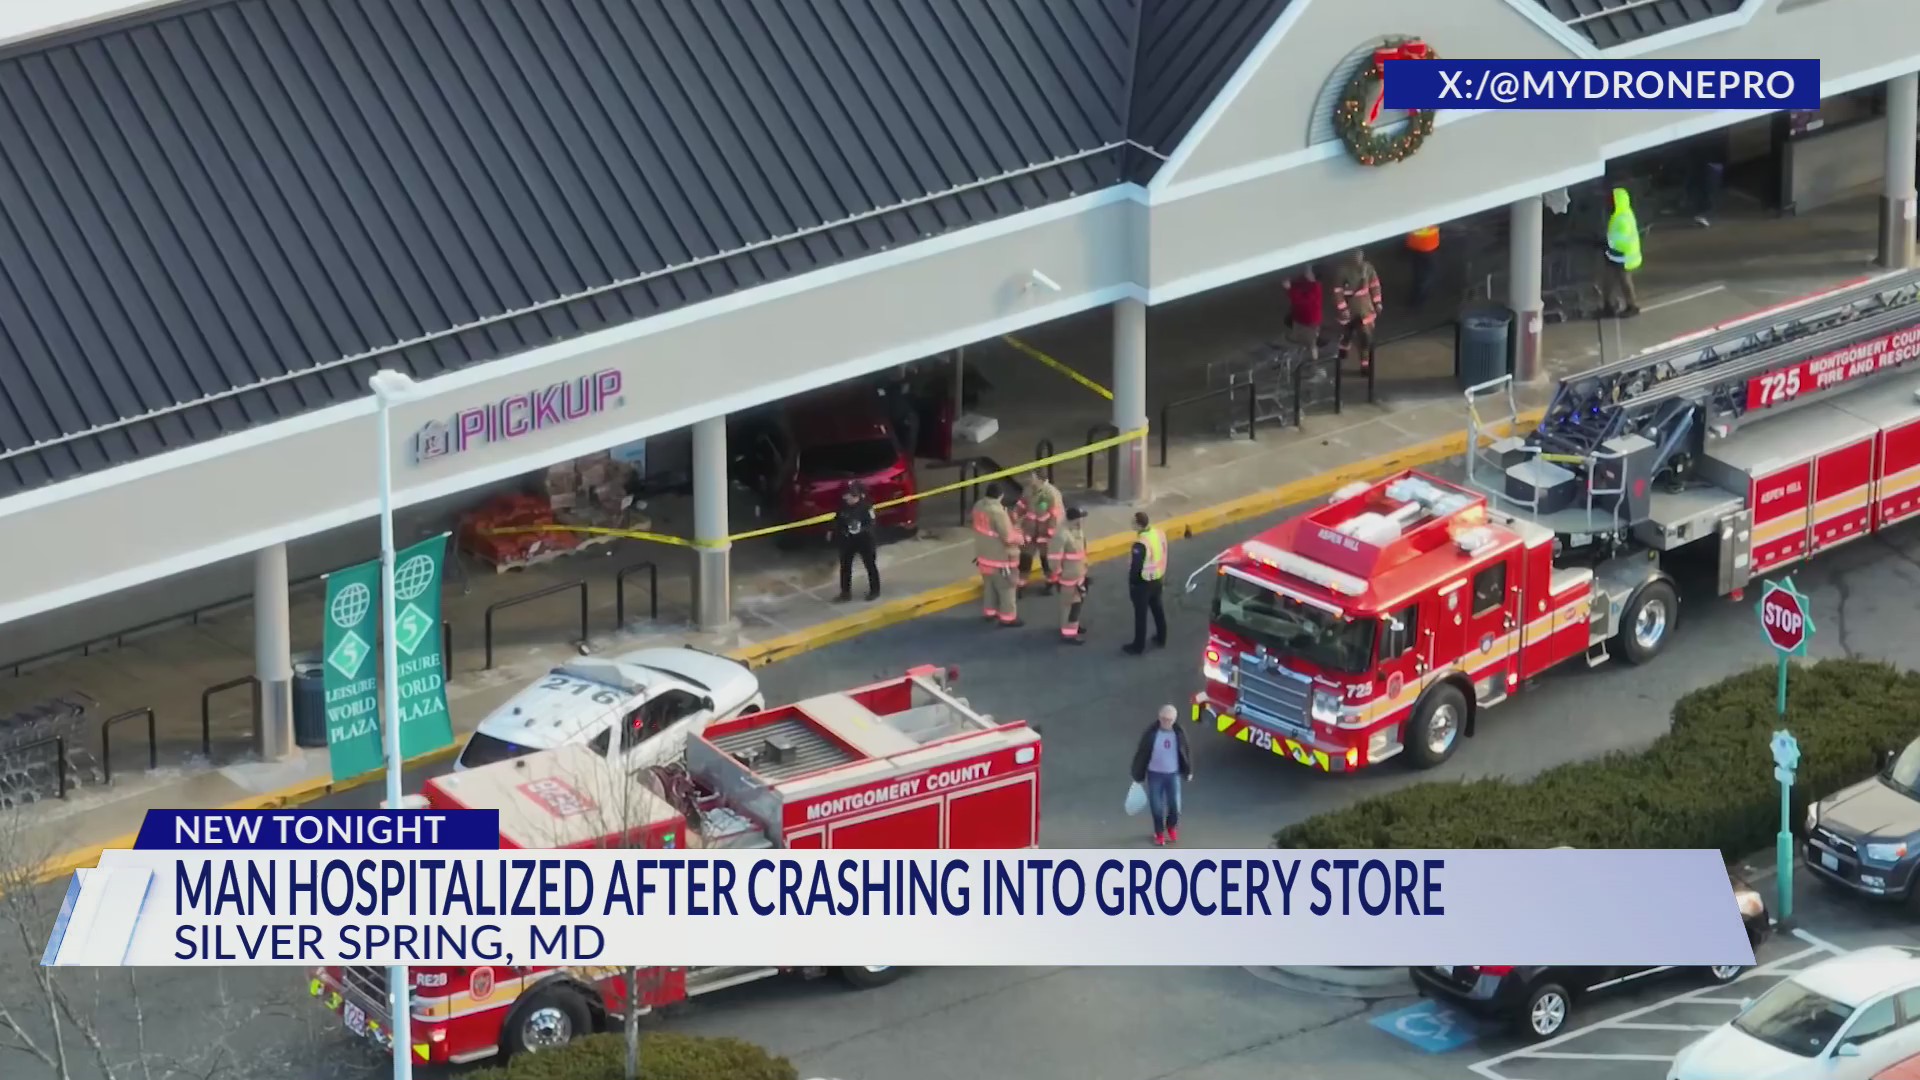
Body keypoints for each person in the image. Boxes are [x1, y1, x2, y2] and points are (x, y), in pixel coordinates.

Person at [1130, 706, 1193, 846]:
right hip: (1155, 775)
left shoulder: (1179, 733)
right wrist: (1137, 774)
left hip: (1173, 775)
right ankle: (1159, 833)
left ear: (1174, 720)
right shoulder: (1151, 734)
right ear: (1159, 717)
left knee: (1175, 806)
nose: (1166, 722)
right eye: (1164, 719)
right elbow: (1142, 753)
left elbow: (1185, 753)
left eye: (1169, 720)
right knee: (1156, 807)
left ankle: (1171, 826)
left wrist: (1188, 771)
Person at [971, 481, 1022, 627]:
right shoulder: (998, 512)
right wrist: (1020, 537)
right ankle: (1008, 617)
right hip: (1000, 559)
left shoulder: (978, 506)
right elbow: (1007, 537)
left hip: (983, 556)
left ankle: (990, 612)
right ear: (1001, 495)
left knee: (989, 586)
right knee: (1007, 588)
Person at [1122, 511, 1166, 655]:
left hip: (1143, 583)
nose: (1131, 525)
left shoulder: (1140, 544)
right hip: (1157, 578)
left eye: (1133, 522)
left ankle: (1138, 646)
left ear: (1138, 524)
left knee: (1141, 616)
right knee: (1157, 609)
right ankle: (1161, 637)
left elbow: (1136, 567)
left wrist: (1132, 583)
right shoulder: (1158, 533)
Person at [1015, 470, 1065, 595]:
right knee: (1025, 556)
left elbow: (1056, 514)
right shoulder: (1029, 490)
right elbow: (1022, 504)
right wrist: (1015, 516)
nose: (1030, 480)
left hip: (1045, 532)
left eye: (1033, 477)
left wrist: (1051, 531)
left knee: (1046, 558)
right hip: (1030, 530)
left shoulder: (1051, 494)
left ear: (1041, 480)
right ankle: (1022, 582)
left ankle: (1051, 580)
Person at [1333, 250, 1383, 371]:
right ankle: (1343, 352)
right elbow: (1338, 291)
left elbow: (1375, 285)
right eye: (1355, 255)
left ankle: (1364, 365)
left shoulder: (1368, 268)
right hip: (1349, 309)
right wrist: (1343, 308)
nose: (1358, 258)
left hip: (1365, 309)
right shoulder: (1343, 270)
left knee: (1365, 337)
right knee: (1347, 334)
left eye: (1359, 255)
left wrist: (1378, 303)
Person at [831, 482, 879, 603]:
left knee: (870, 566)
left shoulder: (866, 507)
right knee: (845, 567)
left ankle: (875, 591)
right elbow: (838, 520)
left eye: (849, 496)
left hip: (865, 541)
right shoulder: (843, 506)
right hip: (848, 541)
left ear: (856, 496)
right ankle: (845, 593)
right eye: (846, 496)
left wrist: (860, 530)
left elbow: (872, 524)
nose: (846, 499)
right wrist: (837, 531)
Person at [1049, 506, 1090, 644]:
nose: (1083, 520)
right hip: (1068, 577)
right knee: (1071, 605)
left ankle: (1073, 625)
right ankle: (1069, 633)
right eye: (1081, 518)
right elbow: (1054, 559)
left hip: (1079, 574)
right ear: (1075, 519)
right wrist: (1059, 575)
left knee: (1077, 604)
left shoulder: (1076, 530)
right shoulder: (1061, 535)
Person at [1603, 186, 1642, 318]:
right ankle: (1608, 304)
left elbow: (1618, 240)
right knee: (1612, 280)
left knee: (1624, 281)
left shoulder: (1621, 219)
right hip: (1617, 255)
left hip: (1623, 256)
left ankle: (1632, 305)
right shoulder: (1621, 214)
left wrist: (1607, 243)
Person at [1284, 267, 1323, 361]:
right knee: (1300, 341)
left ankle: (1316, 367)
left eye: (1309, 271)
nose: (1306, 271)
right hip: (1299, 319)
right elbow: (1297, 285)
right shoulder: (1306, 282)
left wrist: (1289, 289)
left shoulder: (1316, 288)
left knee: (1311, 344)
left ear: (1313, 275)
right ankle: (1302, 361)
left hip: (1309, 322)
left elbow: (1301, 301)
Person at [1405, 226, 1439, 306]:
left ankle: (1416, 301)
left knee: (1419, 274)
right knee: (1425, 277)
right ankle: (1417, 302)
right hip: (1427, 245)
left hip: (1417, 244)